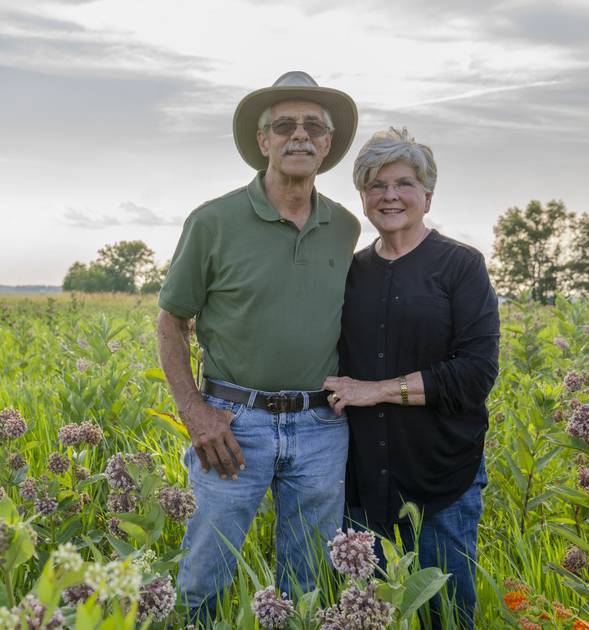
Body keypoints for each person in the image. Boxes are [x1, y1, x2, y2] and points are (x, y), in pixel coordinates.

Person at [156, 71, 360, 622]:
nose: (300, 135)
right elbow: (171, 322)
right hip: (231, 426)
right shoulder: (213, 221)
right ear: (263, 141)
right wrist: (195, 413)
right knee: (204, 577)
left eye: (313, 126)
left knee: (310, 581)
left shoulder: (345, 226)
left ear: (328, 143)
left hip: (320, 427)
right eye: (285, 125)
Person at [323, 127, 500, 629]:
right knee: (368, 614)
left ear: (427, 194)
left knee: (443, 614)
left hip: (442, 475)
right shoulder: (351, 271)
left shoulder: (461, 266)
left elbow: (475, 373)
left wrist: (374, 390)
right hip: (362, 482)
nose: (390, 196)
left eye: (403, 183)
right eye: (376, 185)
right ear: (362, 197)